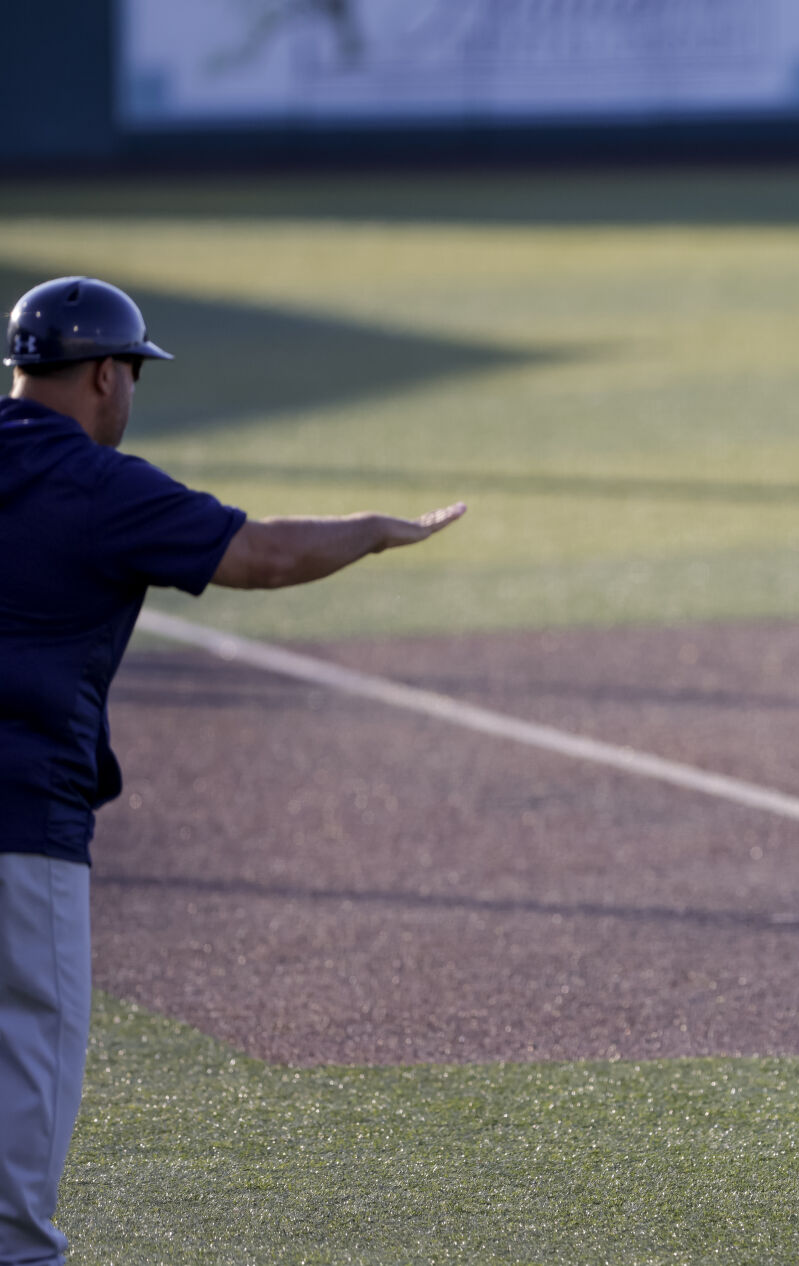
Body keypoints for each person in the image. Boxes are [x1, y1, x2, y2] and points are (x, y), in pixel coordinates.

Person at [0, 276, 465, 1265]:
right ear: (103, 375)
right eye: (132, 373)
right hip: (21, 825)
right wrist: (377, 530)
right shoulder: (98, 487)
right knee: (29, 1052)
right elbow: (259, 554)